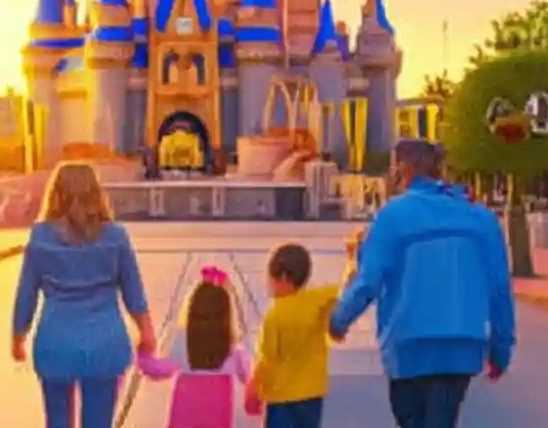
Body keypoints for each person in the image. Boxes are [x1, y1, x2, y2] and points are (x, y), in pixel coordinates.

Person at [329, 140, 516, 428]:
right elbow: (499, 288)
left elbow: (369, 279)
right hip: (461, 346)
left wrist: (339, 321)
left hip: (408, 345)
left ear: (401, 169)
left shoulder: (393, 215)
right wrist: (501, 348)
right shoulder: (480, 218)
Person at [11, 162, 157, 428]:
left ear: (55, 194)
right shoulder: (115, 237)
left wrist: (18, 336)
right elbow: (133, 291)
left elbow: (26, 294)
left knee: (57, 420)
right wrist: (146, 331)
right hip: (105, 343)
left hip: (55, 344)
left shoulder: (41, 237)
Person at [135, 265, 252, 427]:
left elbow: (158, 370)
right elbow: (251, 378)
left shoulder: (183, 343)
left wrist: (143, 355)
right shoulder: (232, 349)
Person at [247, 243, 340, 428]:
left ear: (283, 277)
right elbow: (345, 289)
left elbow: (267, 360)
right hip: (312, 395)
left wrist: (253, 389)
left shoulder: (275, 316)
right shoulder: (317, 300)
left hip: (282, 399)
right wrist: (354, 257)